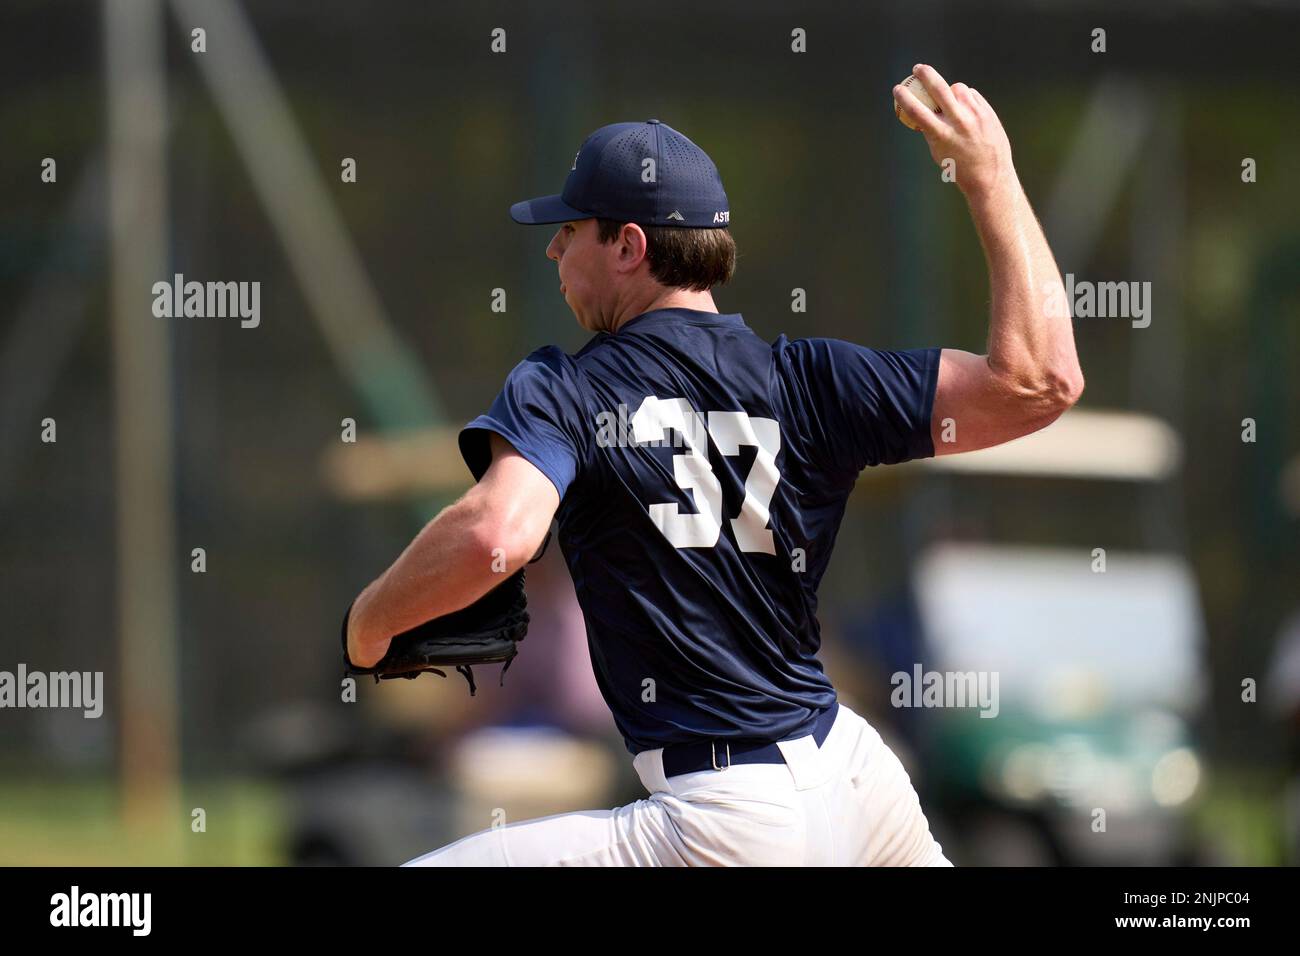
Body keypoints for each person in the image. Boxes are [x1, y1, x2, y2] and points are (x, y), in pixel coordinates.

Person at [345, 64, 1084, 866]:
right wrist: (993, 178)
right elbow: (1041, 383)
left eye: (570, 229)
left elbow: (497, 535)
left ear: (629, 246)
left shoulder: (567, 385)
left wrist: (371, 623)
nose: (554, 249)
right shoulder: (812, 382)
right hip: (859, 785)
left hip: (721, 820)